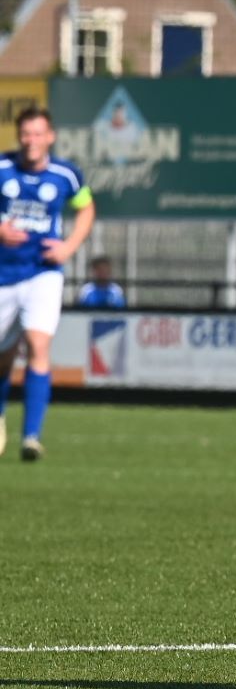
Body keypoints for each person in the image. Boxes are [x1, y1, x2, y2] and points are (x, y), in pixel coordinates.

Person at [0, 107, 96, 461]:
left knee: (39, 346)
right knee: (3, 358)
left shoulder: (65, 174)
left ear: (50, 137)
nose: (31, 141)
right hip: (3, 275)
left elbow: (86, 208)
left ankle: (31, 437)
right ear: (19, 136)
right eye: (26, 134)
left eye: (38, 134)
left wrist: (69, 246)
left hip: (43, 273)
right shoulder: (3, 169)